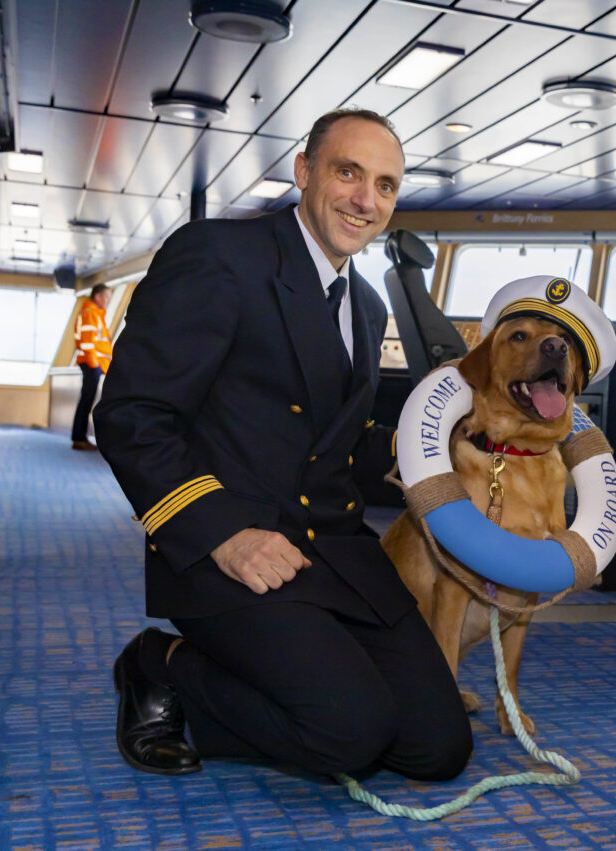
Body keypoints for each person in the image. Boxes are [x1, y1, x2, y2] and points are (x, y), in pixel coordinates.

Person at [94, 108, 472, 781]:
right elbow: (131, 414)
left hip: (334, 552)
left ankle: (307, 690)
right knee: (350, 733)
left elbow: (340, 441)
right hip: (231, 551)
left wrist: (444, 455)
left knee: (438, 747)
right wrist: (227, 537)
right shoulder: (220, 257)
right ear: (304, 171)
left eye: (385, 185)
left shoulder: (366, 305)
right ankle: (160, 663)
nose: (366, 199)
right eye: (348, 172)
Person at [71, 284, 113, 451]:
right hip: (91, 364)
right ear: (97, 296)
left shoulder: (95, 313)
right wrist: (94, 365)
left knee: (86, 401)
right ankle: (79, 438)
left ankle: (80, 438)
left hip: (95, 365)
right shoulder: (90, 313)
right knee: (86, 401)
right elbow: (88, 344)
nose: (108, 301)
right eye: (106, 297)